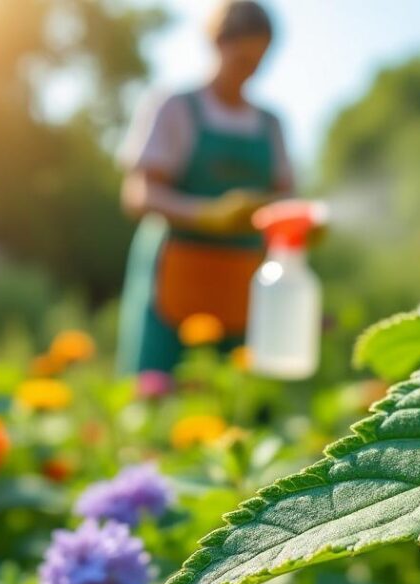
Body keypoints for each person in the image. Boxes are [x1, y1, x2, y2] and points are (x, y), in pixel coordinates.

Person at [116, 0, 293, 374]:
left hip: (243, 284)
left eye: (257, 63)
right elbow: (139, 194)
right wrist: (207, 215)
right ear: (217, 45)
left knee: (236, 397)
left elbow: (286, 199)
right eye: (241, 61)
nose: (248, 73)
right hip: (176, 278)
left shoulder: (271, 124)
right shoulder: (176, 107)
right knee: (158, 391)